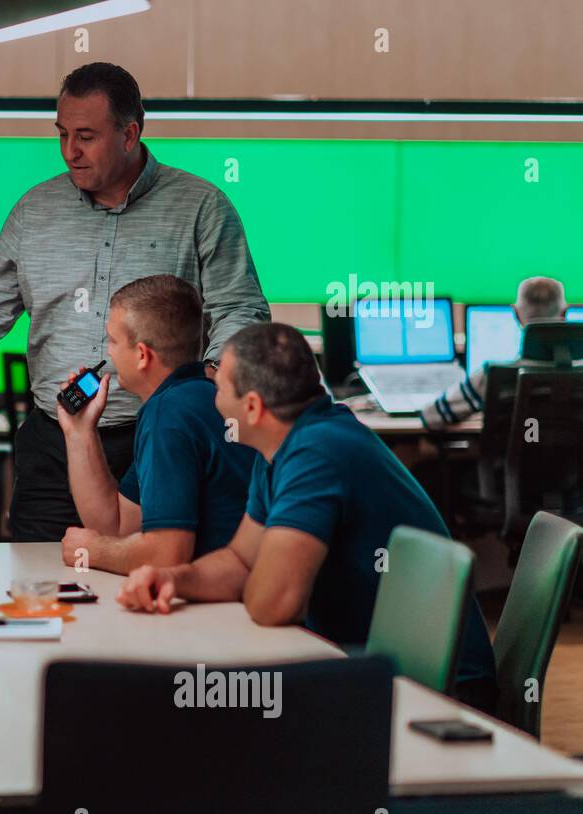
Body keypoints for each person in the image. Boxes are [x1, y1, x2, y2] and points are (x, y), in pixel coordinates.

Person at [0, 62, 269, 541]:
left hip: (157, 438)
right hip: (54, 442)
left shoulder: (201, 207)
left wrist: (200, 389)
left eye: (86, 136)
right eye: (61, 134)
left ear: (130, 134)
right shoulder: (35, 211)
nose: (69, 152)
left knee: (147, 585)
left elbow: (239, 311)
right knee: (39, 581)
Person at [117, 323, 497, 712]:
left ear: (251, 407)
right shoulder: (290, 443)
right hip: (376, 670)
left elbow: (274, 604)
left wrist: (258, 578)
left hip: (434, 696)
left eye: (220, 388)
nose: (213, 399)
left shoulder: (315, 454)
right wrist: (171, 578)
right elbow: (239, 561)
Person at [58, 275, 256, 575]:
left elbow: (168, 556)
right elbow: (119, 526)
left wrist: (92, 550)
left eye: (113, 340)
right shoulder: (197, 397)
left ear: (142, 355)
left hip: (227, 608)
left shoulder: (168, 414)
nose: (108, 352)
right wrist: (79, 430)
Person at [422, 276, 567, 428]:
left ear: (516, 314)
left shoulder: (493, 375)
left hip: (508, 452)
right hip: (568, 453)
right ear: (563, 314)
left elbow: (432, 416)